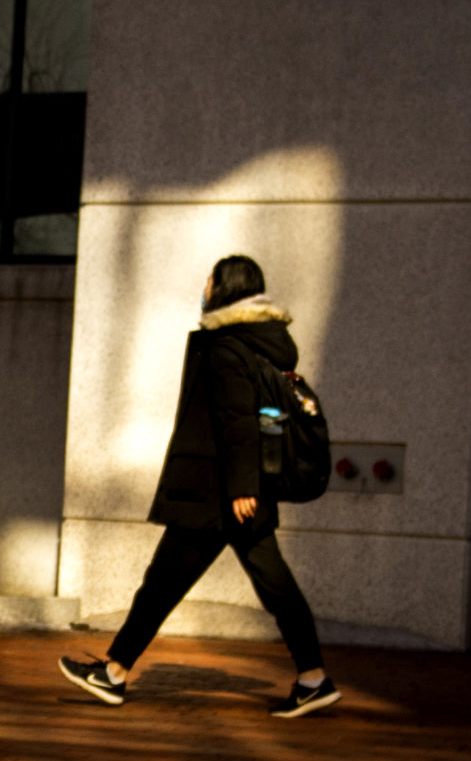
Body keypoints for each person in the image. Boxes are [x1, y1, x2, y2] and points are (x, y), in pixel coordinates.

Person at [59, 256, 338, 717]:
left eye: (210, 282)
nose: (204, 289)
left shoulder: (227, 346)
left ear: (225, 288)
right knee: (268, 586)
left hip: (216, 493)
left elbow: (237, 422)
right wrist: (248, 486)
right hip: (236, 491)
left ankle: (114, 673)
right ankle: (313, 678)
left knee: (163, 585)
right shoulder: (261, 343)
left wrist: (242, 488)